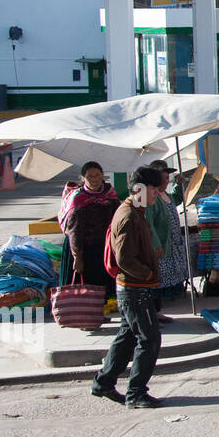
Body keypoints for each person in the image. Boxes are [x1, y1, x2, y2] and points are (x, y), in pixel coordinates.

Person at [91, 166, 166, 408]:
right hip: (134, 288)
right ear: (140, 189)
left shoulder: (137, 211)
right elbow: (124, 258)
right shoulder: (128, 215)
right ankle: (136, 393)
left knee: (127, 336)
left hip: (133, 287)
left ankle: (104, 382)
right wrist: (147, 274)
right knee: (150, 339)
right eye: (153, 189)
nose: (156, 193)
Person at [59, 161, 120, 299]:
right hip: (82, 249)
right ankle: (86, 313)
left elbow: (117, 219)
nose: (94, 179)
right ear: (82, 179)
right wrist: (77, 257)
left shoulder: (110, 195)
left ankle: (101, 309)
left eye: (97, 175)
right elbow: (74, 230)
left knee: (104, 284)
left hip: (104, 247)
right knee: (86, 285)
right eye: (89, 176)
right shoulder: (78, 199)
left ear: (102, 176)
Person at [145, 160, 186, 321]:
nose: (166, 181)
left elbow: (176, 199)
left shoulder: (165, 195)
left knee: (163, 280)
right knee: (156, 280)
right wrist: (156, 244)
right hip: (160, 246)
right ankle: (153, 313)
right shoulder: (150, 199)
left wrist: (178, 186)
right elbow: (149, 223)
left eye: (167, 178)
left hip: (171, 245)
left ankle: (157, 311)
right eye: (163, 178)